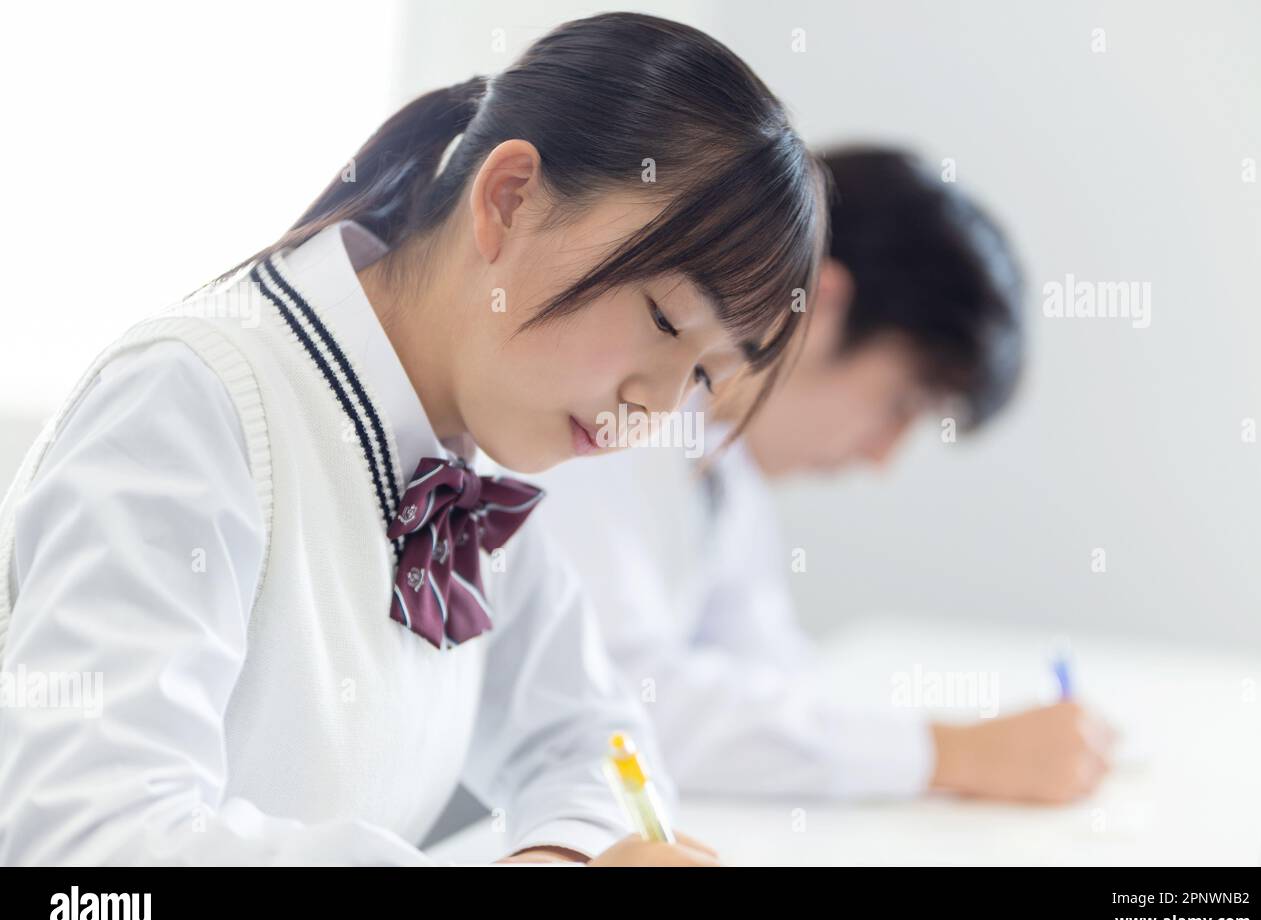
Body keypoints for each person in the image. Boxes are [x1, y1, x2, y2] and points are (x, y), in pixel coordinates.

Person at [0, 12, 829, 865]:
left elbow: (598, 742)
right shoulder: (196, 397)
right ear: (509, 199)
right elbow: (84, 851)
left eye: (702, 376)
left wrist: (562, 854)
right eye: (663, 319)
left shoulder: (467, 455)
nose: (653, 406)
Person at [534, 147, 1115, 806]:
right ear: (822, 306)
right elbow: (625, 705)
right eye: (900, 405)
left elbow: (773, 673)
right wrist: (950, 753)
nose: (881, 458)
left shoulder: (725, 469)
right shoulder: (609, 416)